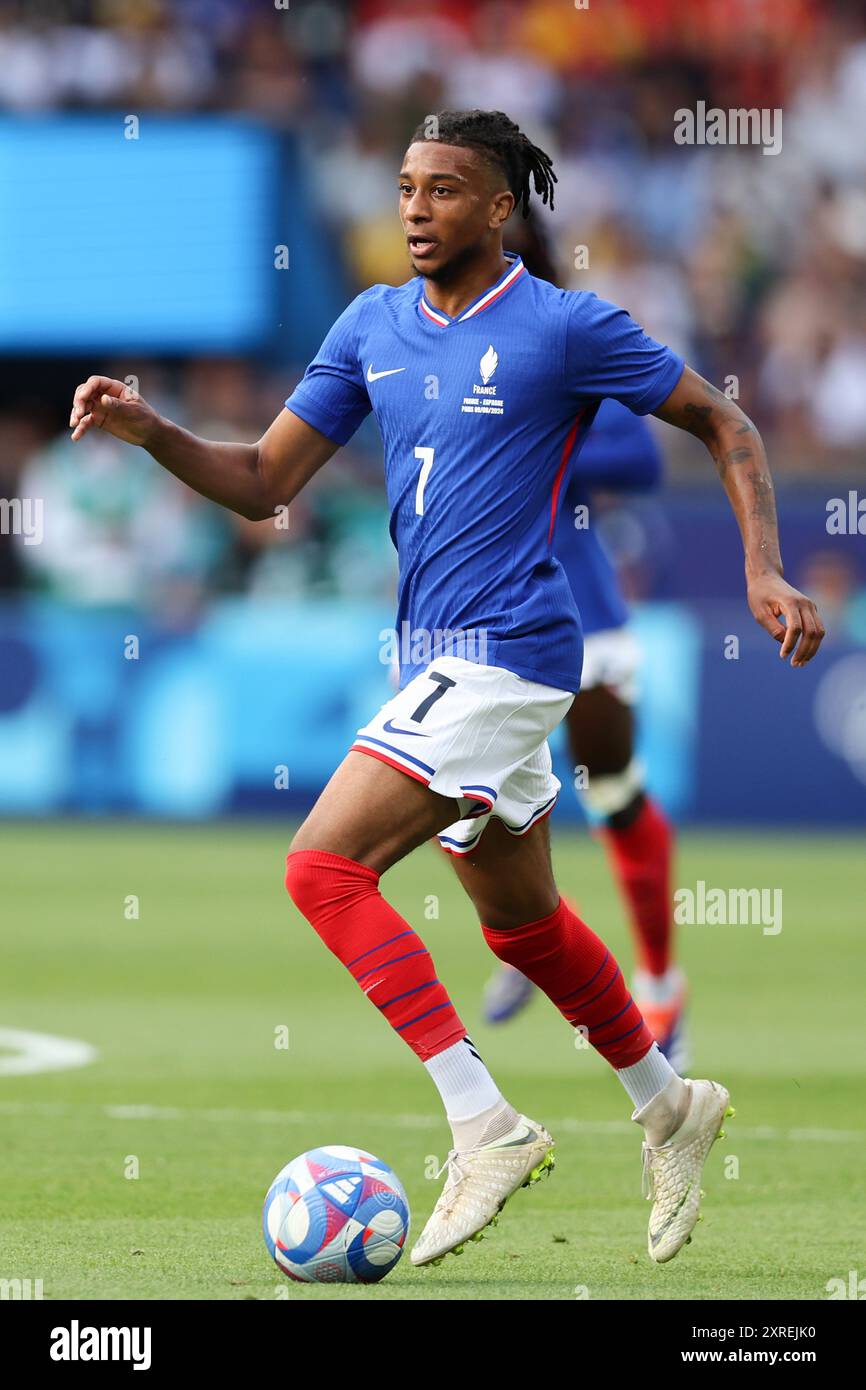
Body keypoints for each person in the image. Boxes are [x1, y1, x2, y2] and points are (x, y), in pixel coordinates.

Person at [69, 109, 824, 1270]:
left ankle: (484, 1123)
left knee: (321, 867)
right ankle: (668, 1103)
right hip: (429, 654)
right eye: (407, 187)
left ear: (500, 208)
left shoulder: (564, 327)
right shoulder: (371, 320)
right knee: (522, 925)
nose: (414, 208)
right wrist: (152, 429)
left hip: (509, 650)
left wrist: (761, 566)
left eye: (442, 190)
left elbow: (719, 421)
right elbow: (264, 478)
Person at [480, 396, 689, 1070]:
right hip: (469, 613)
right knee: (452, 795)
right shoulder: (424, 343)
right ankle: (535, 928)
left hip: (580, 609)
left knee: (612, 792)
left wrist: (535, 437)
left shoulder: (565, 344)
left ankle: (659, 983)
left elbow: (641, 459)